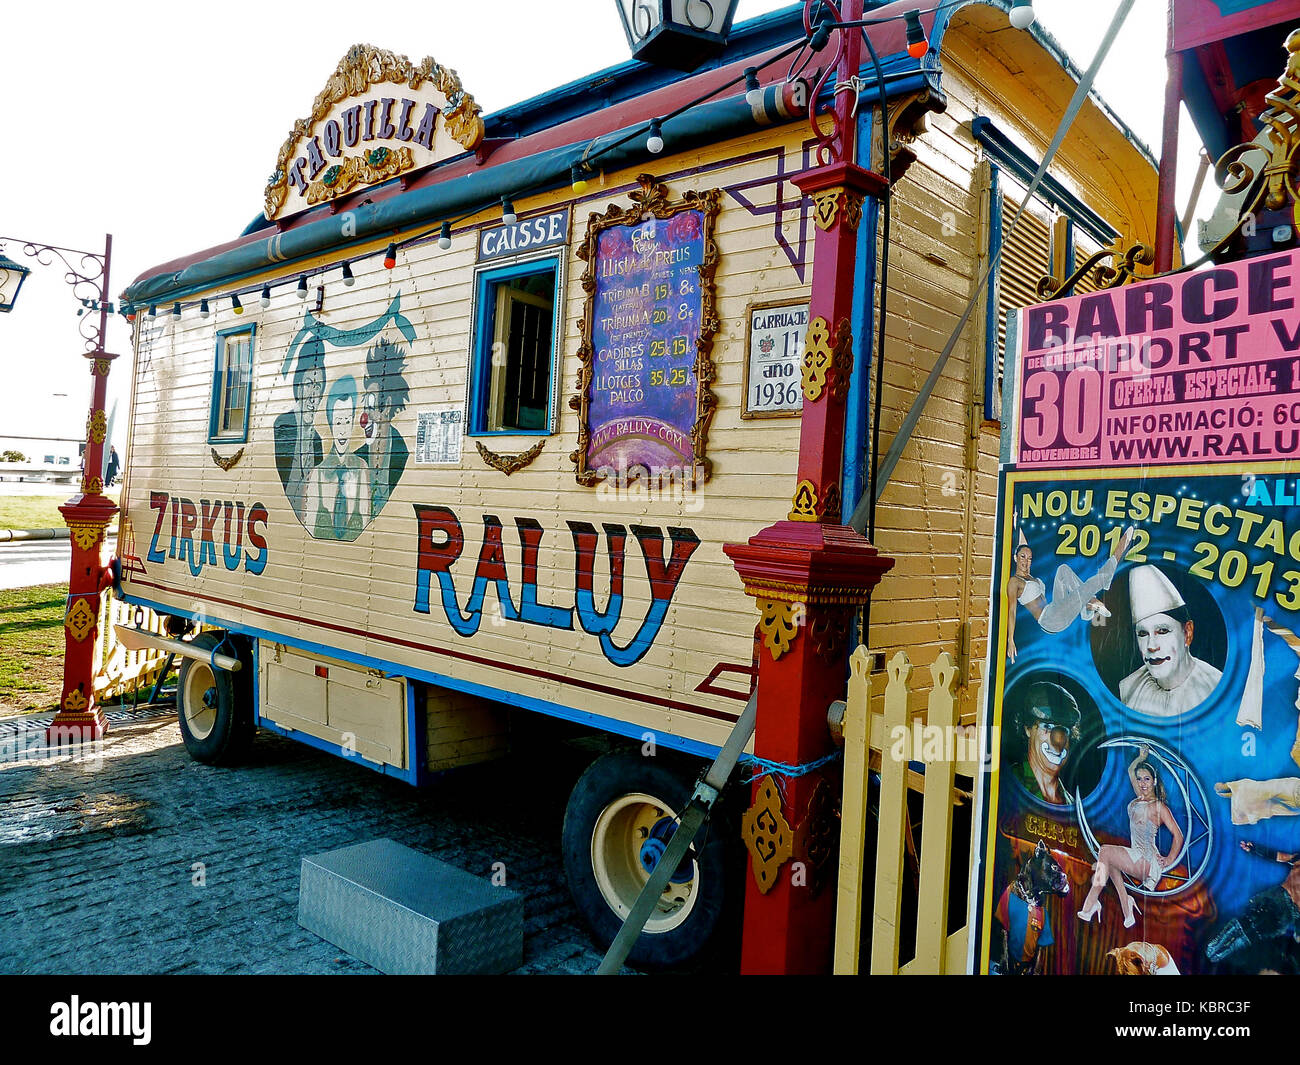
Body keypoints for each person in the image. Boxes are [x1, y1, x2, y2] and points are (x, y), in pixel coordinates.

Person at [1077, 745, 1183, 928]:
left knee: (1105, 852)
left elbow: (1178, 835)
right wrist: (1141, 758)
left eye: (1147, 779)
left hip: (1147, 860)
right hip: (1136, 855)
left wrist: (1169, 858)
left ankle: (1090, 903)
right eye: (1140, 779)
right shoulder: (1138, 799)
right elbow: (1130, 770)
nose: (1142, 783)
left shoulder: (1158, 807)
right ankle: (1127, 907)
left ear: (1155, 781)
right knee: (1109, 862)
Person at [1006, 525, 1133, 662]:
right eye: (1022, 557)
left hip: (1054, 608)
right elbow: (1012, 610)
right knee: (1088, 587)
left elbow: (1023, 544)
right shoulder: (1014, 582)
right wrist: (1010, 639)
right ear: (1015, 557)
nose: (1026, 561)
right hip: (1050, 620)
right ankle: (1111, 564)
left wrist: (1017, 525)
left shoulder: (1030, 577)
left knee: (1063, 570)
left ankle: (1088, 605)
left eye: (1029, 558)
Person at [1118, 566, 1222, 716]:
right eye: (1142, 633)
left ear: (1187, 633)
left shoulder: (1215, 687)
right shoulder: (1129, 688)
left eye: (1162, 631)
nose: (1151, 646)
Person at [307, 375, 370, 542]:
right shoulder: (318, 474)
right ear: (330, 423)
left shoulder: (362, 468)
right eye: (338, 423)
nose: (342, 431)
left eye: (347, 422)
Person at [357, 337, 410, 520]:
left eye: (371, 406)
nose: (364, 417)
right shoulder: (356, 459)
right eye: (365, 405)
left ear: (387, 406)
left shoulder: (403, 455)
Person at [273, 354, 325, 521]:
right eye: (309, 384)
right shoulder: (283, 424)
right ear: (299, 388)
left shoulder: (317, 440)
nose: (312, 394)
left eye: (318, 387)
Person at [1011, 680, 1079, 805]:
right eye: (1047, 726)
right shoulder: (1007, 785)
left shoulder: (1073, 808)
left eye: (1064, 730)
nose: (1057, 740)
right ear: (1028, 729)